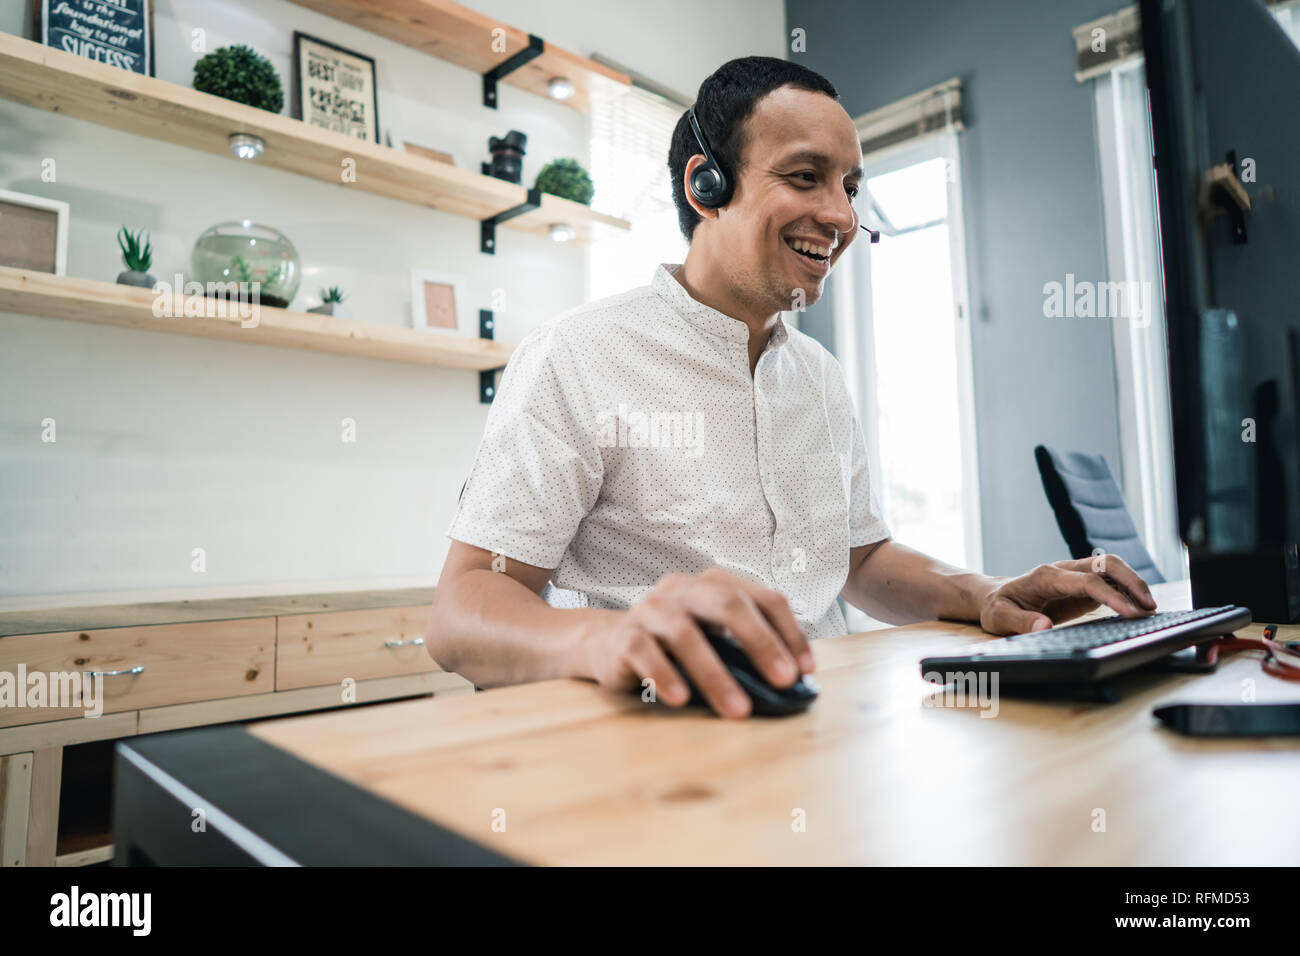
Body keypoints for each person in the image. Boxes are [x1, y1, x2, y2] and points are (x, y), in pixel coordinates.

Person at [426, 56, 1156, 718]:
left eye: (848, 187)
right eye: (805, 177)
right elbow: (463, 610)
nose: (841, 217)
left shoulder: (818, 374)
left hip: (827, 722)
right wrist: (608, 640)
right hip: (660, 733)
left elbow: (860, 559)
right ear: (706, 187)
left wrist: (985, 591)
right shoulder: (577, 355)